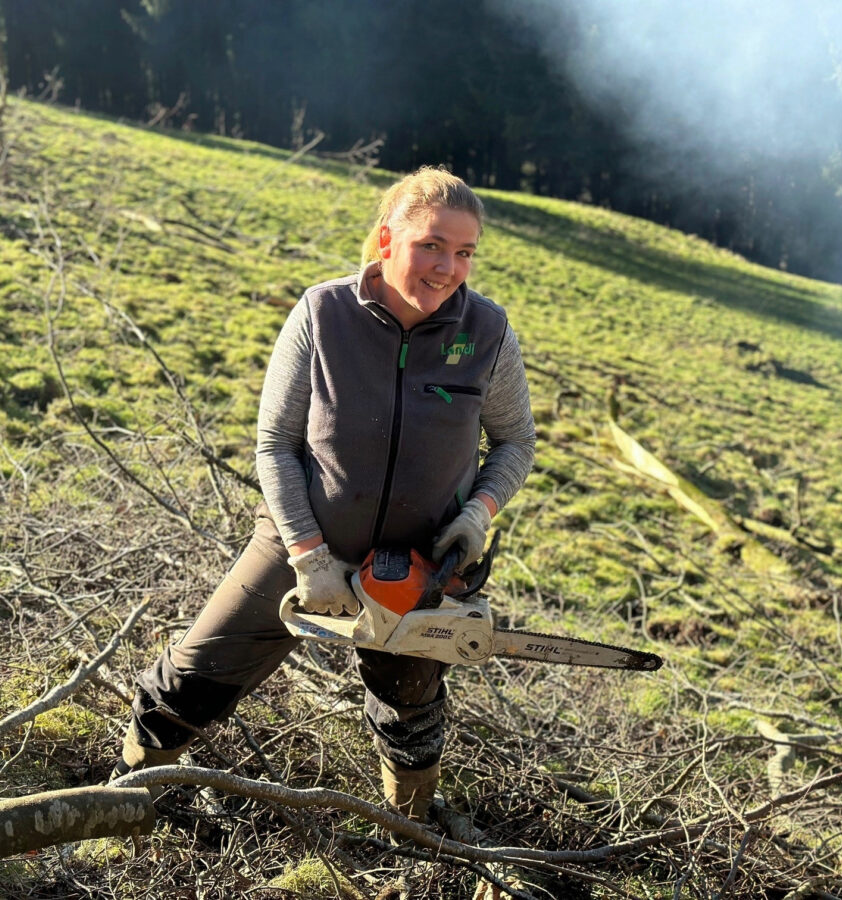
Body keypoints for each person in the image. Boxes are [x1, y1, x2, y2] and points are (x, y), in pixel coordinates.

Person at [111, 166, 536, 824]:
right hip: (303, 536)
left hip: (419, 562)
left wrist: (478, 514)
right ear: (387, 239)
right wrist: (309, 555)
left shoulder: (486, 331)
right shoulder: (324, 313)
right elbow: (275, 445)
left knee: (410, 709)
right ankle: (121, 797)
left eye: (464, 252)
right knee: (192, 677)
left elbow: (515, 443)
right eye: (431, 245)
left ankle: (410, 826)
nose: (448, 267)